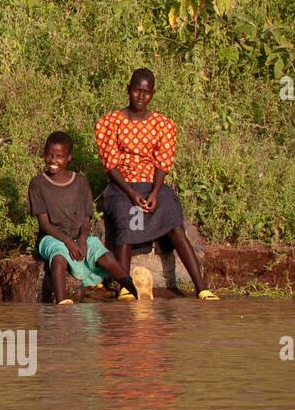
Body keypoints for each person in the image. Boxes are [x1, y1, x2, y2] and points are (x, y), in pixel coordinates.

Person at [94, 68, 217, 300]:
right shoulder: (110, 123)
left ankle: (202, 287)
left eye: (146, 92)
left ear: (153, 94)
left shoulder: (163, 124)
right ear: (128, 90)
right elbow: (111, 165)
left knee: (173, 220)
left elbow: (162, 162)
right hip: (123, 186)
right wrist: (131, 193)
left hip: (153, 185)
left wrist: (155, 192)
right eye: (137, 91)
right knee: (127, 220)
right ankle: (126, 287)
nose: (141, 96)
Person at [29, 131, 146, 305]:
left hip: (80, 235)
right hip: (52, 237)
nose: (53, 160)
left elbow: (86, 217)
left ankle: (133, 289)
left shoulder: (80, 182)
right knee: (59, 260)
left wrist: (83, 239)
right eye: (49, 155)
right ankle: (62, 304)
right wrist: (69, 242)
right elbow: (45, 224)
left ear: (69, 158)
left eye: (59, 156)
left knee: (105, 257)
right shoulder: (38, 183)